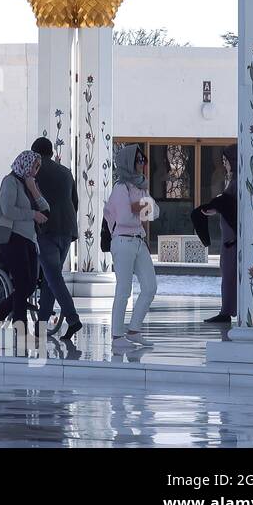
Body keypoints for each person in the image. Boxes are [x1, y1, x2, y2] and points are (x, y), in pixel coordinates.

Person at [104, 144, 158, 351]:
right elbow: (124, 217)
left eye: (143, 160)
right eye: (138, 161)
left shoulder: (140, 186)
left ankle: (134, 329)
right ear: (128, 162)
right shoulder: (121, 188)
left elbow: (155, 213)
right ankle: (117, 335)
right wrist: (142, 207)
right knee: (124, 289)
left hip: (139, 240)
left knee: (150, 287)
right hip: (123, 241)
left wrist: (139, 207)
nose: (142, 164)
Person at [30, 137, 83, 339]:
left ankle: (73, 319)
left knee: (53, 278)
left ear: (35, 153)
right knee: (51, 278)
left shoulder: (34, 173)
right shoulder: (66, 172)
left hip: (46, 230)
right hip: (67, 231)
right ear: (51, 153)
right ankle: (41, 325)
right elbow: (74, 202)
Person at [0, 150, 50, 334]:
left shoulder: (29, 184)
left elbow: (46, 209)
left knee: (31, 284)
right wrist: (32, 214)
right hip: (13, 239)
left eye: (38, 167)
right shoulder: (10, 182)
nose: (36, 170)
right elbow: (8, 210)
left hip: (29, 239)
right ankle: (20, 326)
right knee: (22, 283)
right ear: (25, 163)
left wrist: (33, 189)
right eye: (34, 166)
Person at [192, 145, 239, 323]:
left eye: (226, 161)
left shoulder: (237, 181)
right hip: (230, 238)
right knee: (227, 272)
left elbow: (231, 204)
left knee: (229, 273)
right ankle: (226, 309)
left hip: (233, 239)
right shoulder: (233, 180)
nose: (224, 165)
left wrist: (217, 205)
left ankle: (226, 312)